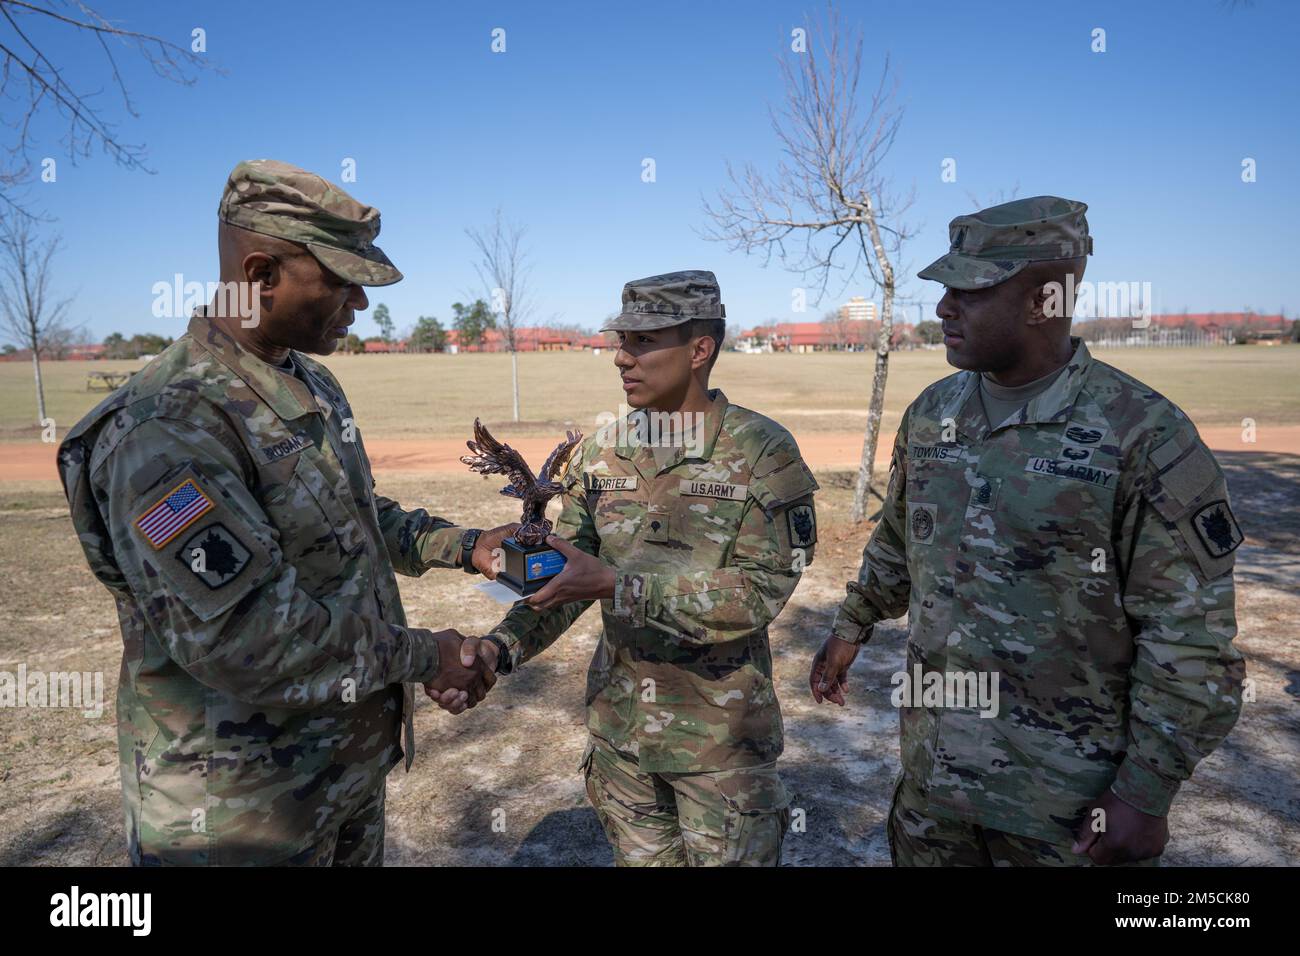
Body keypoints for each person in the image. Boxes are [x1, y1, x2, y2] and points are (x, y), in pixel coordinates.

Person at [56, 159, 515, 866]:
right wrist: (428, 655)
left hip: (341, 780)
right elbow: (249, 638)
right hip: (240, 815)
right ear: (260, 272)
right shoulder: (168, 425)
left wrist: (467, 545)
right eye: (340, 278)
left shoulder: (310, 383)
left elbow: (354, 514)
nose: (359, 301)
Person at [811, 197, 1245, 866]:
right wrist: (851, 626)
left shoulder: (1143, 434)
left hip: (1064, 814)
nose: (943, 308)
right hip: (934, 791)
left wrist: (1147, 790)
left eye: (970, 288)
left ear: (1046, 297)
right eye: (945, 287)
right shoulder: (932, 415)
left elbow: (1189, 637)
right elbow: (901, 538)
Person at [441, 270, 819, 865]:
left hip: (720, 754)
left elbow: (757, 595)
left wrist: (618, 584)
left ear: (700, 350)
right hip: (622, 743)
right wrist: (498, 648)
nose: (621, 357)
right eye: (621, 340)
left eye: (643, 342)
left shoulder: (761, 451)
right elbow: (557, 575)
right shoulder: (600, 451)